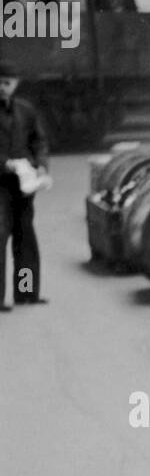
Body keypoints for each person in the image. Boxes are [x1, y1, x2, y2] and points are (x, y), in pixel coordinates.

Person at [0, 61, 51, 310]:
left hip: (24, 186)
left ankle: (27, 293)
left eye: (8, 83)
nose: (3, 87)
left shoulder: (25, 111)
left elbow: (39, 141)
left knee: (25, 240)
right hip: (0, 185)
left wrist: (41, 165)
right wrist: (5, 164)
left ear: (16, 84)